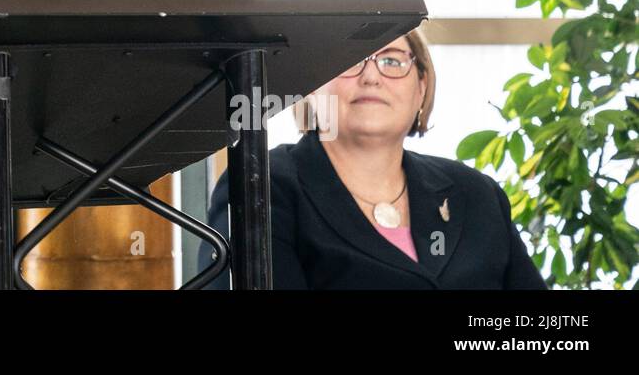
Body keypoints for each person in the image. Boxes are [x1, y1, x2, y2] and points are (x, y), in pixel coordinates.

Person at [199, 27, 546, 289]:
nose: (370, 76)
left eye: (392, 60)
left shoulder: (477, 194)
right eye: (348, 62)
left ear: (421, 87)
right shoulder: (259, 185)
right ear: (311, 87)